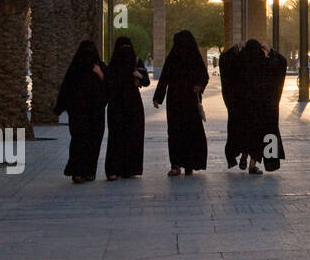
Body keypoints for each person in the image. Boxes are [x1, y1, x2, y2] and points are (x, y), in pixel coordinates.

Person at [153, 29, 209, 176]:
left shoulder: (193, 58)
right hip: (177, 101)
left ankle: (188, 164)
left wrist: (200, 86)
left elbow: (204, 76)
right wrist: (158, 97)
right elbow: (165, 78)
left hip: (186, 100)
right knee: (176, 132)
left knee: (186, 132)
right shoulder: (174, 58)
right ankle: (176, 164)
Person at [53, 41, 107, 183]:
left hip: (96, 112)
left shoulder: (100, 67)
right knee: (79, 140)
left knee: (93, 142)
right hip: (78, 112)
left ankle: (89, 172)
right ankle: (77, 172)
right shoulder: (75, 69)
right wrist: (58, 109)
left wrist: (100, 74)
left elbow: (109, 86)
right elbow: (66, 89)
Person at [104, 36, 149, 180]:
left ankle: (124, 169)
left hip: (124, 105)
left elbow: (146, 81)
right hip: (125, 105)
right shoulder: (114, 65)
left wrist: (138, 75)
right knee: (119, 136)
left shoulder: (133, 62)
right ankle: (120, 169)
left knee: (125, 136)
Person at [240, 39, 287, 174]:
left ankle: (244, 154)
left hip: (245, 107)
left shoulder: (241, 65)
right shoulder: (265, 64)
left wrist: (238, 48)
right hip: (263, 108)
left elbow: (226, 62)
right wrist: (270, 50)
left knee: (247, 133)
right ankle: (252, 165)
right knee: (260, 135)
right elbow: (282, 62)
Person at [219, 42, 248, 169]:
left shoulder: (231, 66)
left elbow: (224, 59)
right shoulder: (251, 65)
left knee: (234, 130)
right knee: (249, 131)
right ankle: (245, 156)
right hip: (249, 105)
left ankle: (232, 156)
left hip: (234, 103)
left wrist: (235, 47)